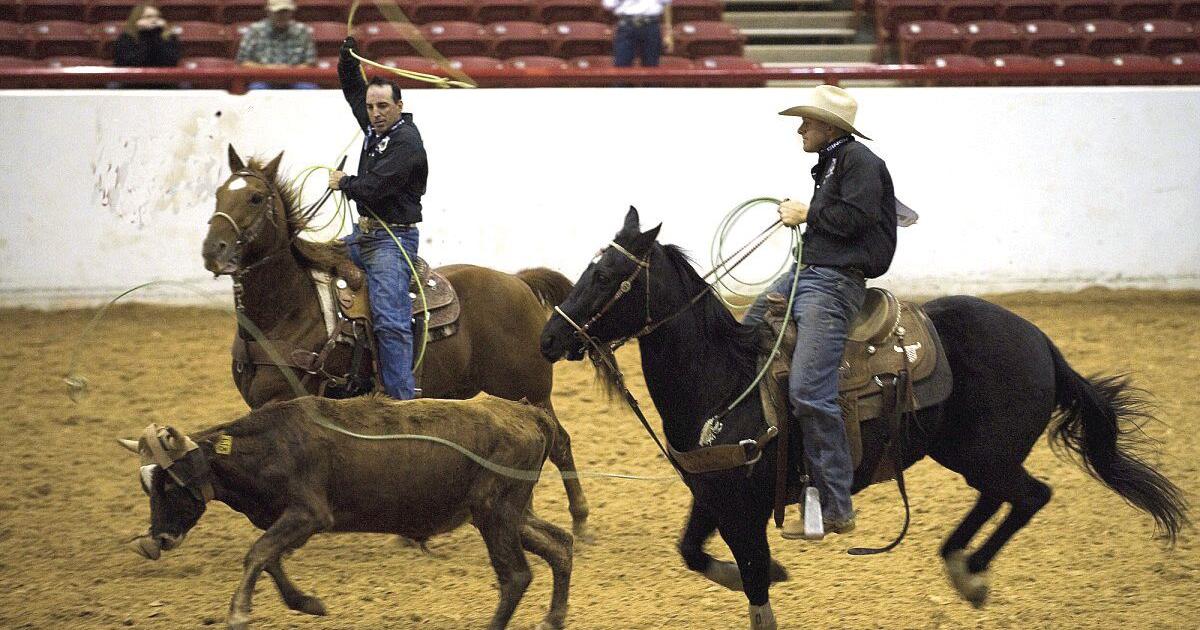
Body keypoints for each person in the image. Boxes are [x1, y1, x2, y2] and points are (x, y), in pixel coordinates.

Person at [743, 85, 897, 540]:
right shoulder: (833, 162)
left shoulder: (860, 161)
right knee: (744, 335)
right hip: (806, 274)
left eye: (807, 122)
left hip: (833, 285)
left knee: (810, 391)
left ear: (829, 127)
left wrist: (808, 213)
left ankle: (837, 505)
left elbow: (857, 218)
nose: (800, 129)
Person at [327, 36, 429, 401]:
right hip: (365, 235)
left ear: (399, 106)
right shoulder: (376, 128)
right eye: (371, 107)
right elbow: (353, 89)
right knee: (313, 261)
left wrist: (344, 183)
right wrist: (346, 59)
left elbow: (375, 188)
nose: (375, 113)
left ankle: (401, 402)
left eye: (383, 106)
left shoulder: (407, 144)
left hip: (393, 241)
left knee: (390, 321)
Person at [234, 0, 317, 89]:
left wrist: (290, 70)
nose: (282, 15)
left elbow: (310, 62)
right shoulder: (255, 31)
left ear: (291, 12)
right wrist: (268, 69)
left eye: (286, 12)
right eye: (277, 12)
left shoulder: (302, 31)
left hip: (295, 78)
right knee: (258, 89)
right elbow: (242, 61)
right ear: (268, 12)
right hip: (263, 77)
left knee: (309, 89)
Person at [602, 0, 673, 68]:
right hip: (626, 26)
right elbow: (608, 4)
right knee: (622, 65)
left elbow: (666, 1)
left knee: (651, 66)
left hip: (651, 25)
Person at [113, 3, 180, 68]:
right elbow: (132, 63)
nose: (154, 20)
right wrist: (144, 34)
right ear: (137, 20)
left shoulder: (169, 38)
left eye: (158, 17)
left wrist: (156, 34)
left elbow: (170, 62)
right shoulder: (126, 38)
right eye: (148, 17)